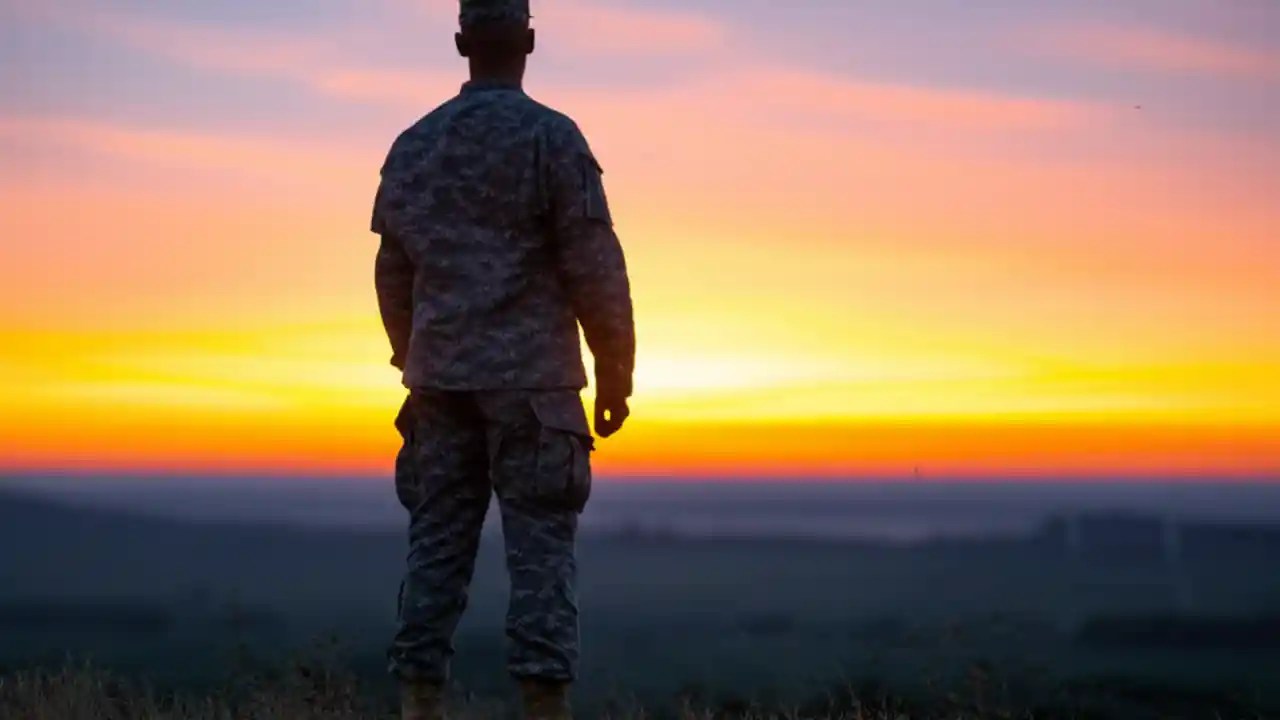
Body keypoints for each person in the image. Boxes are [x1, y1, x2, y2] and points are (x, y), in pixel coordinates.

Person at [369, 0, 636, 717]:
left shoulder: (414, 146)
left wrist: (416, 356)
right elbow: (593, 264)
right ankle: (543, 706)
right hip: (535, 390)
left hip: (440, 385)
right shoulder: (552, 138)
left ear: (461, 43)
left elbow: (392, 273)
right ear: (529, 41)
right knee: (541, 562)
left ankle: (419, 703)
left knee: (434, 555)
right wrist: (615, 371)